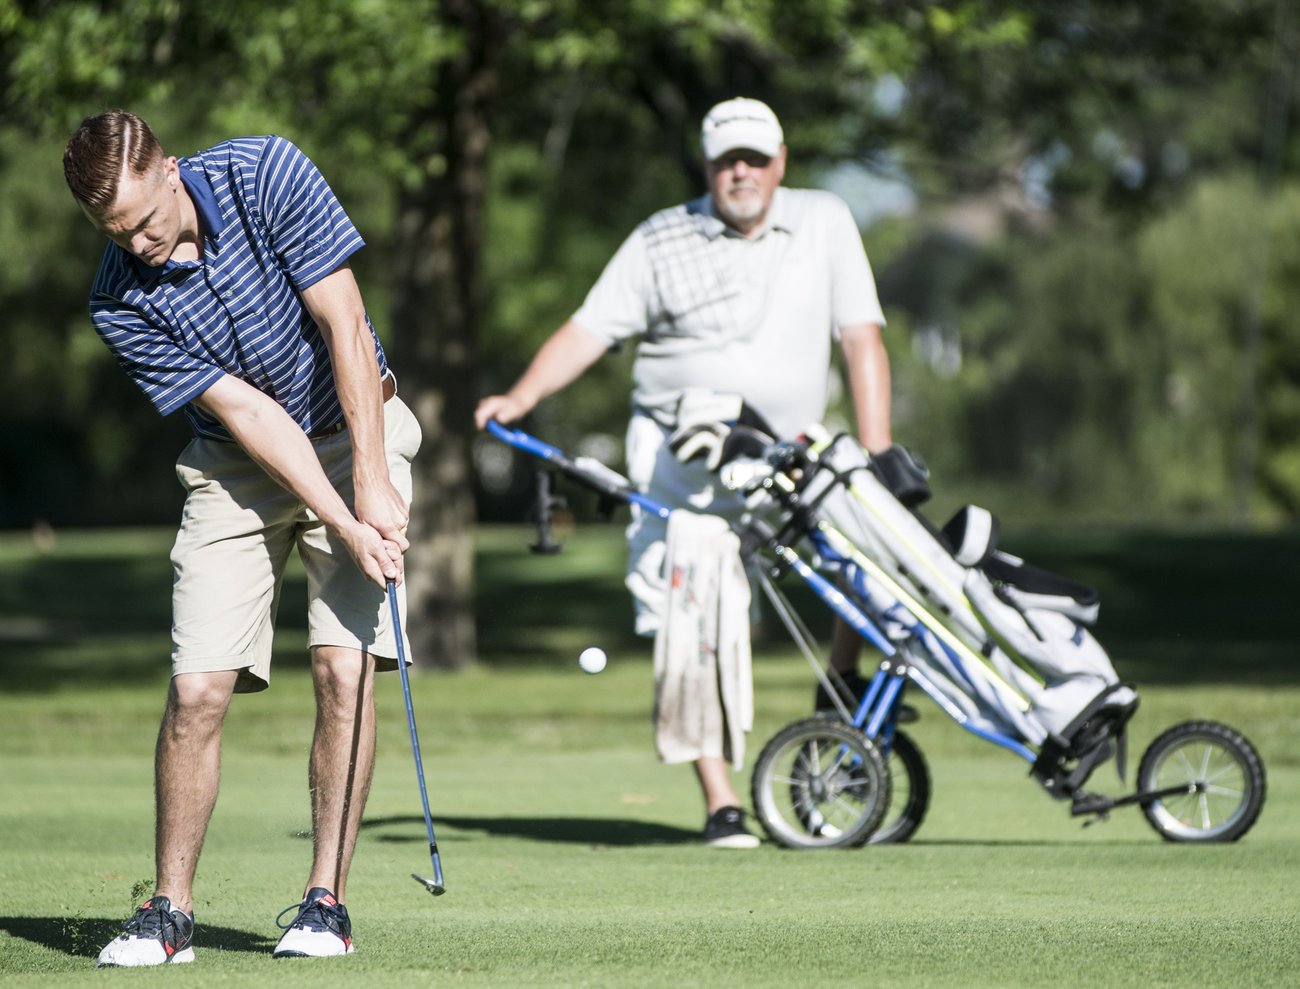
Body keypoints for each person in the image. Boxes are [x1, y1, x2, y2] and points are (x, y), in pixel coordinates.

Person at [475, 97, 897, 848]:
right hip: (682, 464)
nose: (743, 171)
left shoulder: (828, 219)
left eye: (756, 158)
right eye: (728, 159)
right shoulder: (661, 236)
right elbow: (590, 326)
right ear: (707, 167)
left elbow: (861, 339)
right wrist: (522, 394)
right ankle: (723, 799)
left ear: (781, 162)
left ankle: (840, 686)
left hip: (794, 450)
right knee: (691, 617)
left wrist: (877, 450)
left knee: (868, 556)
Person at [63, 110, 422, 966]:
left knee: (344, 667)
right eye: (117, 233)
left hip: (356, 420)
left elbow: (345, 325)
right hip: (236, 464)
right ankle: (169, 911)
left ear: (172, 169)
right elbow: (252, 417)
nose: (140, 245)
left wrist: (369, 479)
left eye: (147, 220)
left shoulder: (266, 174)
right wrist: (341, 521)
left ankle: (324, 901)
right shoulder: (117, 297)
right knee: (197, 687)